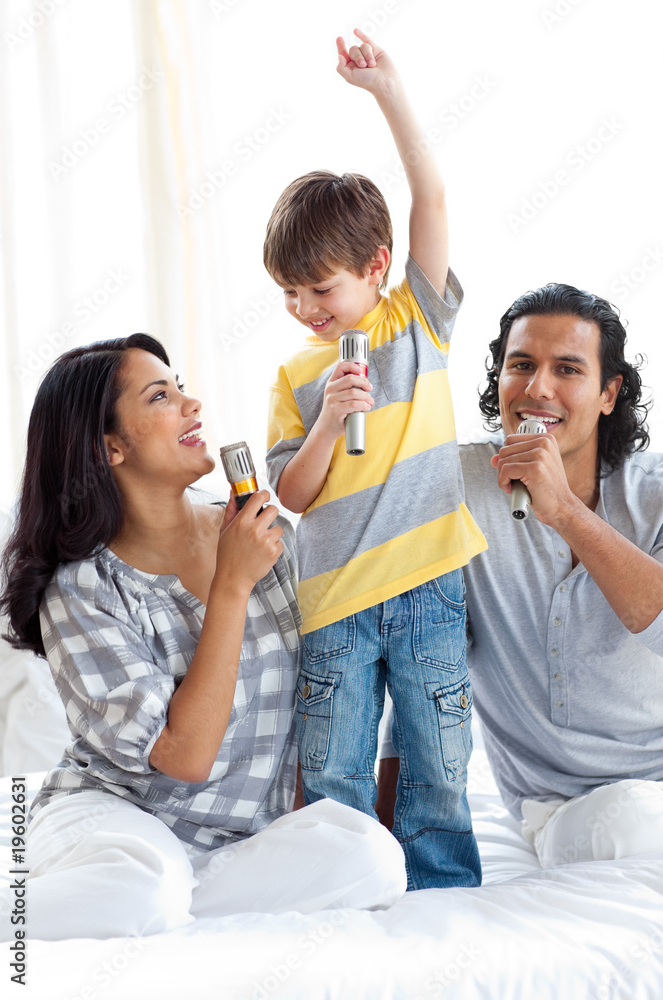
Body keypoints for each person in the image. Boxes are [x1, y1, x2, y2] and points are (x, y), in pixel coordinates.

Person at [0, 334, 406, 942]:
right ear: (110, 447)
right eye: (162, 396)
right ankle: (131, 897)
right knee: (142, 883)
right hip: (116, 815)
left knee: (368, 857)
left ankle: (158, 904)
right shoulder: (82, 589)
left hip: (228, 840)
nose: (193, 406)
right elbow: (185, 756)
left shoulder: (261, 536)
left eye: (182, 386)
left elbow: (316, 702)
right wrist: (231, 586)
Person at [264, 31, 487, 890]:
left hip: (429, 585)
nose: (304, 307)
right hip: (334, 601)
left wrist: (387, 91)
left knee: (436, 752)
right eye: (289, 292)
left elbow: (430, 193)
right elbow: (293, 492)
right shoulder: (294, 376)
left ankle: (438, 892)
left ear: (376, 269)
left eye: (321, 288)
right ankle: (338, 888)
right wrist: (326, 421)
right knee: (333, 765)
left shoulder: (413, 326)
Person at [380, 282, 663, 867]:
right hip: (560, 807)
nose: (538, 389)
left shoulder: (654, 495)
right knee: (634, 827)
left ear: (609, 393)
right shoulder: (454, 488)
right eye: (522, 365)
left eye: (567, 369)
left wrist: (564, 511)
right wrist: (386, 838)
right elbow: (422, 672)